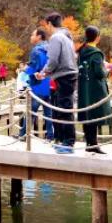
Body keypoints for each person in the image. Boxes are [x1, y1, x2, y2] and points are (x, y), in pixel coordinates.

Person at [42, 13, 79, 153]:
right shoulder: (67, 37)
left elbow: (53, 60)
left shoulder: (56, 38)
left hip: (64, 76)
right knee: (62, 108)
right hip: (69, 74)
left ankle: (68, 143)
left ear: (50, 24)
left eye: (47, 25)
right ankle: (64, 141)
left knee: (65, 109)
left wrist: (44, 72)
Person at [77, 26, 112, 153]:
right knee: (95, 114)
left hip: (83, 87)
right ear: (97, 37)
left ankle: (89, 143)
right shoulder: (96, 53)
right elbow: (99, 73)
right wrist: (106, 71)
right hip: (95, 89)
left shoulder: (81, 51)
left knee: (87, 114)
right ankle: (94, 144)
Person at [22, 28, 52, 140]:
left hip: (37, 84)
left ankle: (23, 134)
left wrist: (26, 70)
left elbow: (35, 66)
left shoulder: (36, 50)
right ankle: (50, 136)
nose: (31, 37)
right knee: (49, 113)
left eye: (32, 35)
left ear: (39, 36)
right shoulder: (50, 48)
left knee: (31, 111)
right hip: (49, 83)